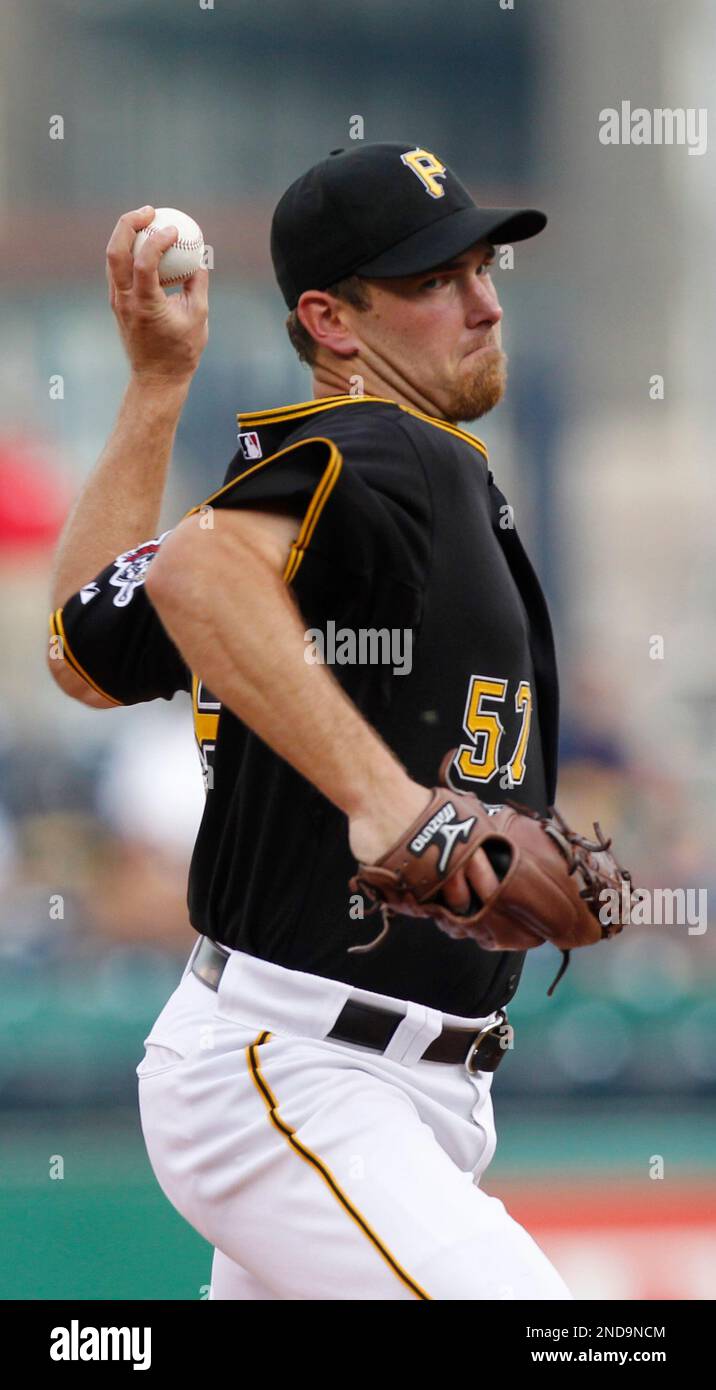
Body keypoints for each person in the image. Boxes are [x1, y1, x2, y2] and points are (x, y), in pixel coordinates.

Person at [48, 143, 572, 1300]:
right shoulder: (385, 452)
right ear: (332, 320)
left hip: (364, 1079)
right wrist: (389, 806)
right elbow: (190, 574)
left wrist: (152, 388)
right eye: (434, 280)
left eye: (482, 266)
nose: (482, 301)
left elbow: (83, 646)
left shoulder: (371, 484)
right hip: (307, 1070)